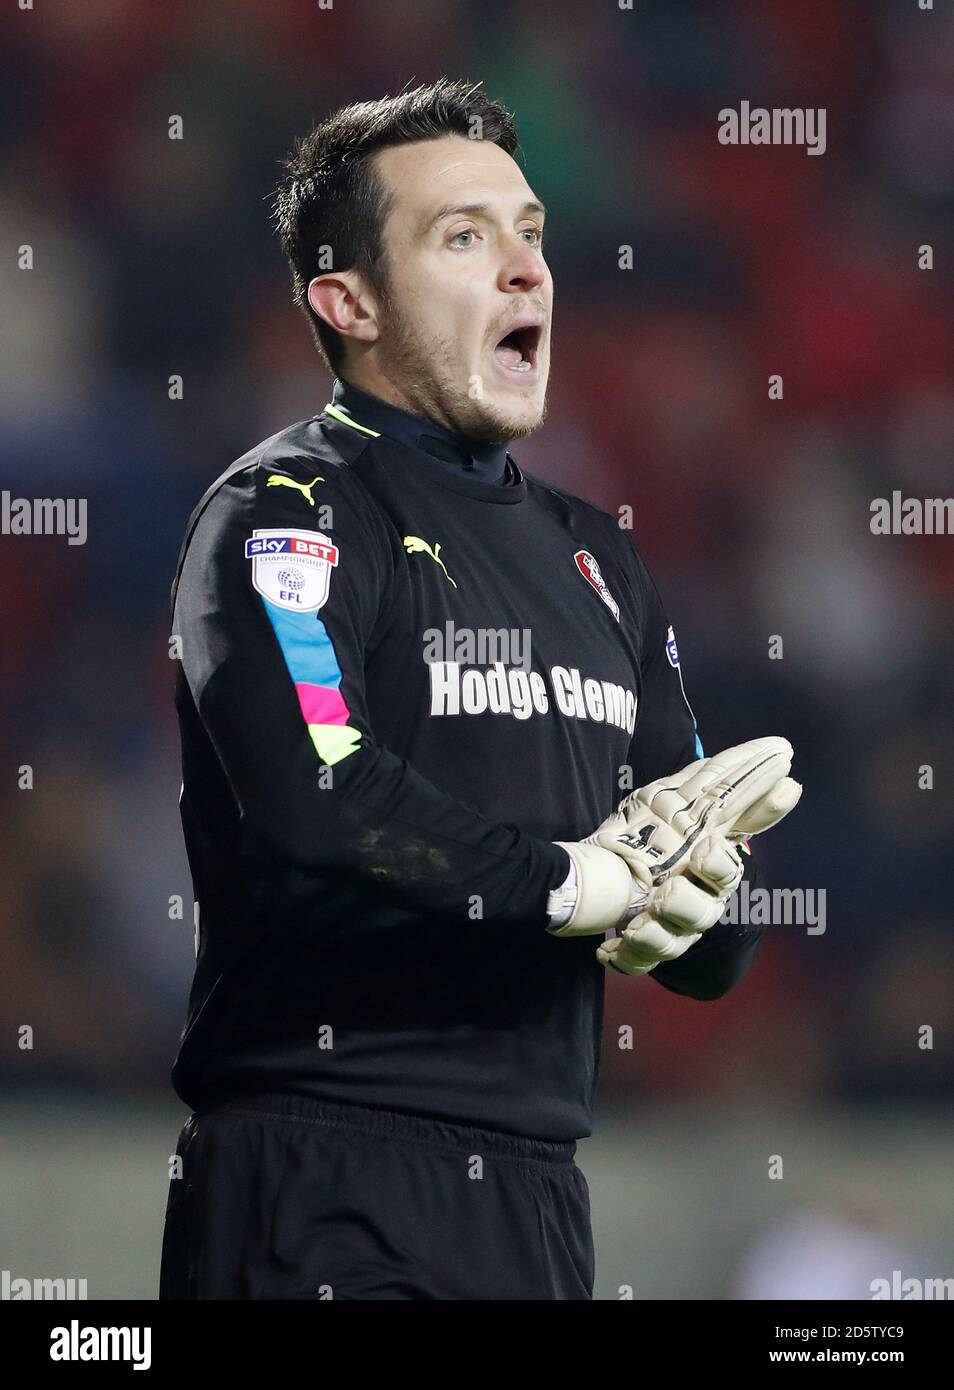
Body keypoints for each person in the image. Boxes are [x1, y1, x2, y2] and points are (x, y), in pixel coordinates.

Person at [159, 78, 800, 1301]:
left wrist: (700, 910)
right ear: (347, 301)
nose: (524, 270)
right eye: (463, 237)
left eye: (531, 232)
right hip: (318, 1175)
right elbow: (320, 791)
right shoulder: (286, 513)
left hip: (539, 1198)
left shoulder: (598, 556)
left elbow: (703, 912)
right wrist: (573, 882)